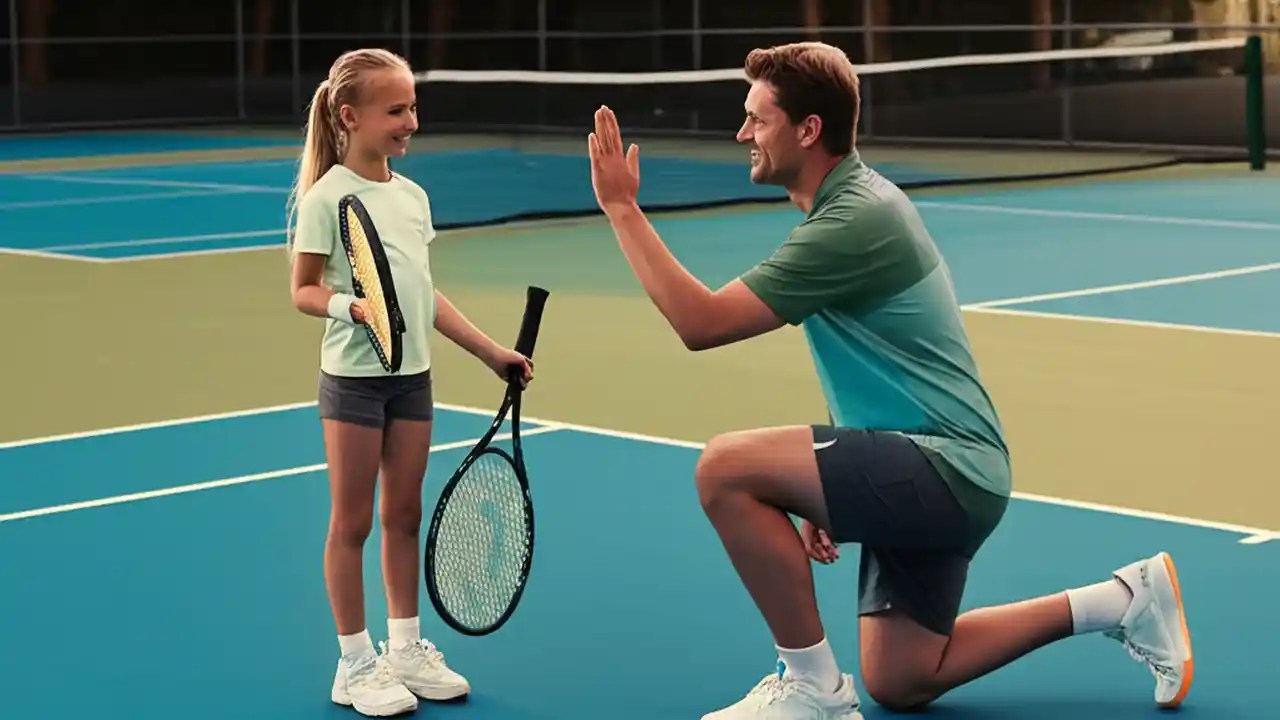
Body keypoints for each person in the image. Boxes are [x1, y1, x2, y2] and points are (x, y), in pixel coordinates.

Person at [586, 41, 1192, 720]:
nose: (743, 133)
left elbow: (701, 323)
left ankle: (813, 685)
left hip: (944, 468)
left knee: (724, 469)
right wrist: (830, 488)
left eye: (757, 118)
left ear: (808, 130)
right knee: (902, 678)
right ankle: (1124, 599)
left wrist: (621, 209)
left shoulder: (853, 220)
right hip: (950, 471)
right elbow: (883, 368)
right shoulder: (851, 208)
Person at [287, 48, 534, 717]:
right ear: (350, 116)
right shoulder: (325, 200)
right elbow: (303, 290)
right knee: (354, 522)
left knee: (403, 515)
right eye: (396, 110)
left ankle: (405, 649)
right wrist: (350, 307)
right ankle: (355, 663)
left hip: (413, 379)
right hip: (354, 383)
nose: (410, 122)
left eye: (412, 108)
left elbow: (423, 295)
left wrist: (491, 352)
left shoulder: (412, 198)